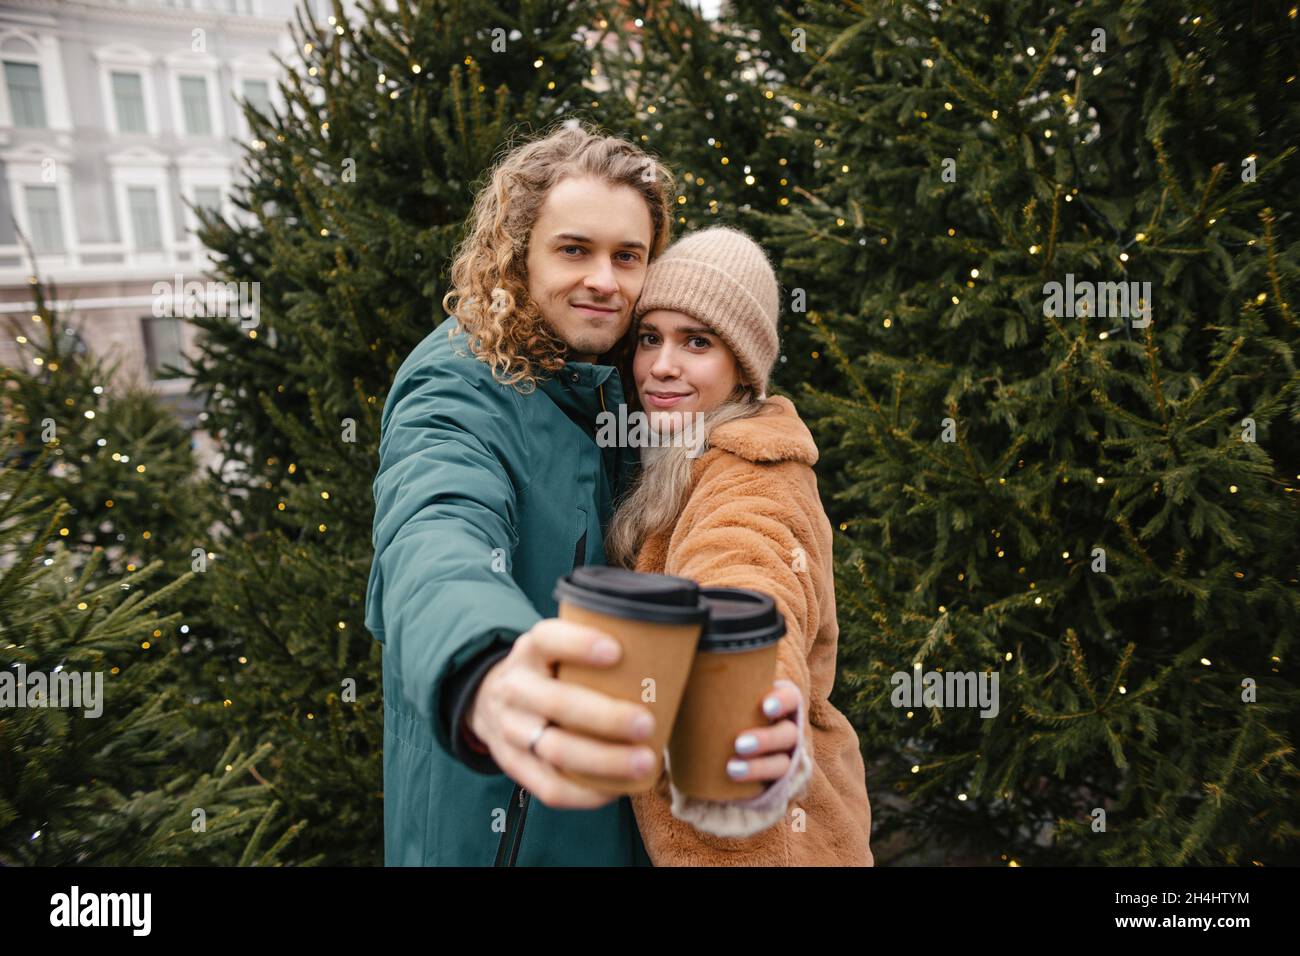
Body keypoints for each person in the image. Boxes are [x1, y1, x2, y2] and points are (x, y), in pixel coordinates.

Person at [366, 121, 679, 865]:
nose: (605, 279)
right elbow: (434, 527)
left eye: (627, 256)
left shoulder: (629, 383)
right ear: (516, 255)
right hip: (501, 828)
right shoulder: (460, 382)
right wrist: (485, 664)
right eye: (575, 250)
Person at [604, 226, 875, 865]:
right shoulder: (669, 457)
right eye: (650, 338)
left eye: (697, 342)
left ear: (743, 365)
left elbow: (747, 568)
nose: (662, 365)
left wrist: (743, 682)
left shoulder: (756, 474)